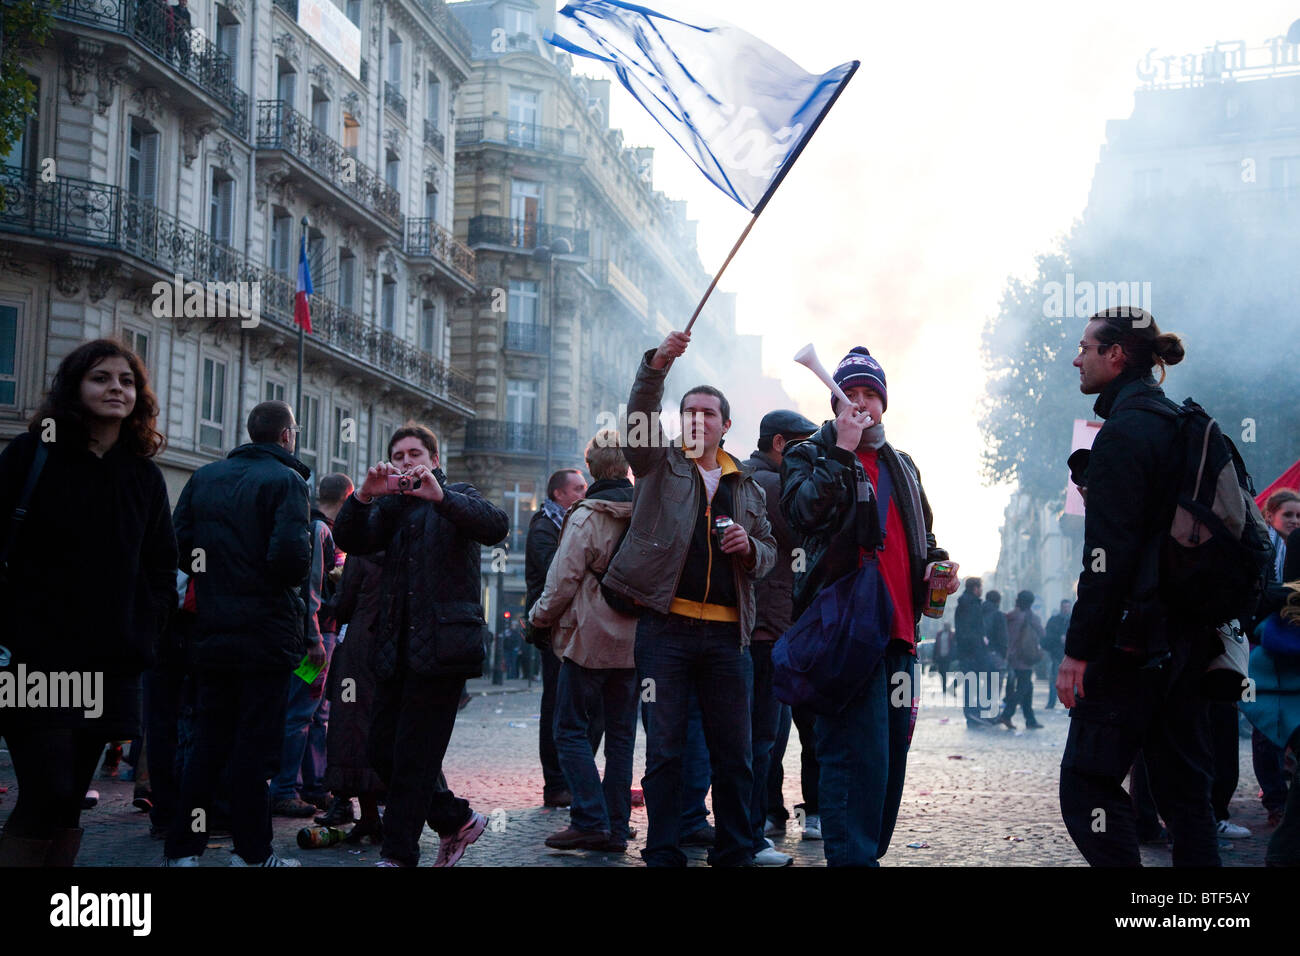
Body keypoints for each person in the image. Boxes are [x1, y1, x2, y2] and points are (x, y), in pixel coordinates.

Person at [601, 329, 777, 867]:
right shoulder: (655, 462)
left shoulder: (747, 486)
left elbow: (770, 553)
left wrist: (750, 548)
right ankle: (663, 851)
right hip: (667, 633)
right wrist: (655, 366)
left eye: (709, 412)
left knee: (735, 755)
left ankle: (735, 850)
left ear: (726, 425)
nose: (699, 419)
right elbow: (639, 414)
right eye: (690, 411)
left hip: (729, 637)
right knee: (666, 750)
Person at [0, 340, 177, 867]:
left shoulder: (143, 473)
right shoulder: (33, 454)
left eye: (126, 380)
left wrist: (147, 629)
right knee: (46, 790)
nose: (115, 389)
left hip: (110, 662)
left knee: (70, 799)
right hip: (37, 656)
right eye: (101, 378)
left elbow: (161, 564)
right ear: (75, 387)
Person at [781, 345, 957, 866]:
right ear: (834, 402)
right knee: (851, 760)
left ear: (883, 403)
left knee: (887, 764)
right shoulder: (809, 452)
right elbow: (802, 515)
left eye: (869, 395)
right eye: (849, 394)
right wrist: (841, 450)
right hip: (844, 633)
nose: (860, 403)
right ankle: (854, 860)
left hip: (900, 634)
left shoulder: (903, 465)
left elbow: (921, 536)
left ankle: (865, 855)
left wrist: (937, 565)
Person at [1058, 306, 1220, 867]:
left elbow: (1107, 559)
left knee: (1087, 784)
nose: (1076, 358)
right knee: (1186, 797)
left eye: (1086, 348)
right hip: (1187, 639)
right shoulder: (1177, 421)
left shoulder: (1125, 432)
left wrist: (1078, 651)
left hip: (1133, 642)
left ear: (1116, 355)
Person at [332, 423, 508, 867]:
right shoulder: (390, 509)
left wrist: (442, 497)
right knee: (381, 750)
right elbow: (349, 540)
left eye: (415, 454)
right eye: (399, 456)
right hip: (394, 651)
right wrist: (363, 496)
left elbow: (495, 526)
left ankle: (399, 855)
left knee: (413, 757)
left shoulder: (457, 495)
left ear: (434, 460)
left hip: (444, 651)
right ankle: (455, 819)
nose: (407, 462)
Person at [162, 400, 312, 867]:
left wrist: (219, 575)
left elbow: (181, 545)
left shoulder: (204, 478)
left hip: (212, 630)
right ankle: (252, 854)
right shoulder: (287, 481)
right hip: (265, 635)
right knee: (254, 748)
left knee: (206, 744)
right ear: (287, 436)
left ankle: (183, 851)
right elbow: (290, 560)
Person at [531, 430, 637, 853]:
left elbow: (561, 582)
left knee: (569, 730)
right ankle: (615, 824)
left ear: (592, 466)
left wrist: (537, 620)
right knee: (622, 737)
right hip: (635, 643)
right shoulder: (648, 511)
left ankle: (589, 817)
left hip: (588, 641)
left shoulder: (586, 514)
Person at [744, 409, 817, 864]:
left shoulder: (744, 477)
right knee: (767, 734)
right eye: (804, 446)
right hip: (774, 627)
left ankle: (762, 817)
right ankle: (754, 829)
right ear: (780, 445)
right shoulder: (774, 486)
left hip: (752, 626)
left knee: (758, 733)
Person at [271, 473, 352, 816]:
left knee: (317, 713)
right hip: (318, 640)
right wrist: (314, 637)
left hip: (321, 635)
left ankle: (313, 785)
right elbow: (313, 590)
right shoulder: (321, 531)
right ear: (346, 498)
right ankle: (286, 788)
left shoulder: (317, 528)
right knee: (303, 710)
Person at [525, 467, 588, 808]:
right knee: (555, 705)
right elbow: (557, 572)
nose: (584, 492)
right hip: (552, 629)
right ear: (558, 495)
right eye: (578, 488)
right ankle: (555, 784)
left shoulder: (571, 523)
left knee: (575, 705)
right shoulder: (544, 528)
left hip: (574, 626)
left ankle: (572, 779)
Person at [318, 551, 387, 843]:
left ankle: (368, 814)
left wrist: (335, 590)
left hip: (359, 648)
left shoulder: (362, 550)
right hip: (393, 647)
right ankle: (385, 819)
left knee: (355, 731)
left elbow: (344, 603)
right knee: (387, 729)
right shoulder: (407, 542)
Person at [1254, 489, 1300, 826]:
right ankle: (1275, 800)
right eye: (1288, 515)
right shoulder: (1263, 548)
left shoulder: (1295, 547)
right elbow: (1259, 592)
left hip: (1290, 643)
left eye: (1299, 516)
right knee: (1266, 722)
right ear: (1270, 515)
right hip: (1263, 643)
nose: (1295, 521)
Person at [995, 590, 1044, 730]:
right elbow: (1042, 633)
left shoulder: (1009, 615)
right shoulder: (1030, 616)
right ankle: (1007, 714)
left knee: (1027, 687)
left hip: (1010, 657)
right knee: (1024, 687)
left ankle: (1030, 719)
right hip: (1024, 658)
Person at [954, 578, 996, 729]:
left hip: (969, 650)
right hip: (972, 651)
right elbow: (971, 629)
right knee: (973, 681)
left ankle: (974, 713)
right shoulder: (970, 604)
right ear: (975, 588)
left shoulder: (968, 603)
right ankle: (973, 713)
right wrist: (980, 641)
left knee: (973, 681)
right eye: (980, 586)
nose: (982, 590)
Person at [1043, 600, 1071, 710]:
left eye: (1067, 607)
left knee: (1071, 681)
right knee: (1054, 680)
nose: (1066, 609)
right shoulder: (1054, 621)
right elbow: (1047, 637)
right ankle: (1051, 702)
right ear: (1061, 607)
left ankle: (1071, 702)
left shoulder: (1073, 620)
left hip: (1069, 655)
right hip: (1055, 655)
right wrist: (1058, 638)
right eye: (1064, 607)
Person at [932, 623, 955, 691]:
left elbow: (953, 646)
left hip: (947, 656)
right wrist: (934, 656)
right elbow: (936, 645)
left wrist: (952, 655)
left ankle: (944, 686)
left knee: (945, 671)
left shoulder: (952, 634)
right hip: (940, 656)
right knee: (941, 671)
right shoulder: (939, 634)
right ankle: (944, 683)